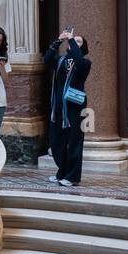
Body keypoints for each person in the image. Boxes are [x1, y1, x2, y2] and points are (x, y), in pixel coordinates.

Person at [44, 28, 91, 186]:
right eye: (73, 40)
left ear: (82, 47)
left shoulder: (84, 62)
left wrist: (71, 39)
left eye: (78, 41)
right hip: (58, 109)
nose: (74, 41)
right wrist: (58, 40)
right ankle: (62, 172)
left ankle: (72, 177)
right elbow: (47, 59)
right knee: (57, 142)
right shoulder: (60, 60)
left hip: (75, 108)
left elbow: (77, 60)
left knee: (74, 143)